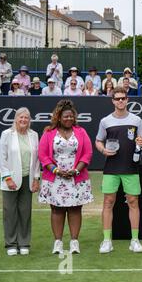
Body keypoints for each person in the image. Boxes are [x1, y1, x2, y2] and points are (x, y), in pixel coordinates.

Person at [38, 100, 94, 254]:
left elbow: (87, 154)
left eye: (71, 116)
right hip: (55, 178)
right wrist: (56, 170)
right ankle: (58, 243)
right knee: (57, 210)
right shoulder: (49, 133)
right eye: (65, 117)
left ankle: (74, 242)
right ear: (59, 117)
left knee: (75, 209)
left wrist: (76, 170)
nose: (69, 119)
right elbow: (42, 155)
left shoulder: (81, 132)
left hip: (77, 177)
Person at [96, 87, 142, 253]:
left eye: (123, 98)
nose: (120, 101)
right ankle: (106, 241)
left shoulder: (136, 120)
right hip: (111, 168)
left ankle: (135, 240)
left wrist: (141, 142)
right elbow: (98, 141)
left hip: (131, 167)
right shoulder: (105, 121)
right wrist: (103, 150)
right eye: (117, 98)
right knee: (108, 202)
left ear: (127, 99)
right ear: (113, 101)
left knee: (133, 201)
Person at [0, 108, 40, 256]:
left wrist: (36, 178)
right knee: (10, 213)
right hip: (11, 181)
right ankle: (11, 243)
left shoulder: (34, 135)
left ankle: (24, 243)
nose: (23, 120)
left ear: (29, 120)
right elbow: (2, 159)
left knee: (25, 212)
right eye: (21, 117)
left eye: (26, 118)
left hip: (27, 180)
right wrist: (7, 178)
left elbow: (37, 160)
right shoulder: (7, 134)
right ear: (16, 119)